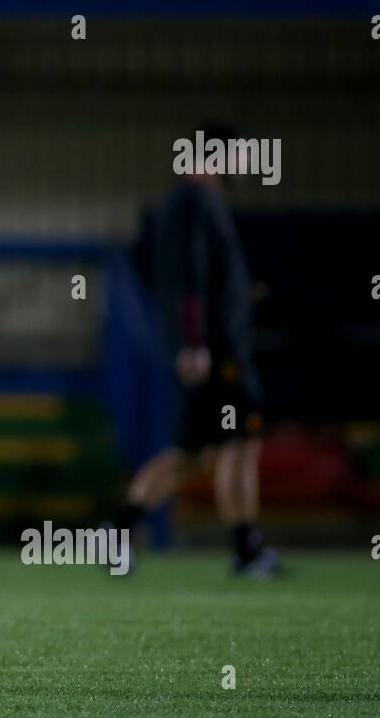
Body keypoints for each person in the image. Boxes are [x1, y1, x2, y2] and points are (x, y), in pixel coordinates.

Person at [114, 122, 279, 577]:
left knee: (197, 451)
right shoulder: (195, 201)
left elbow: (169, 274)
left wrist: (236, 295)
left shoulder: (176, 205)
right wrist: (194, 342)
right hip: (218, 352)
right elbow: (189, 276)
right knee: (238, 444)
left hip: (209, 346)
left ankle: (120, 534)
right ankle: (247, 551)